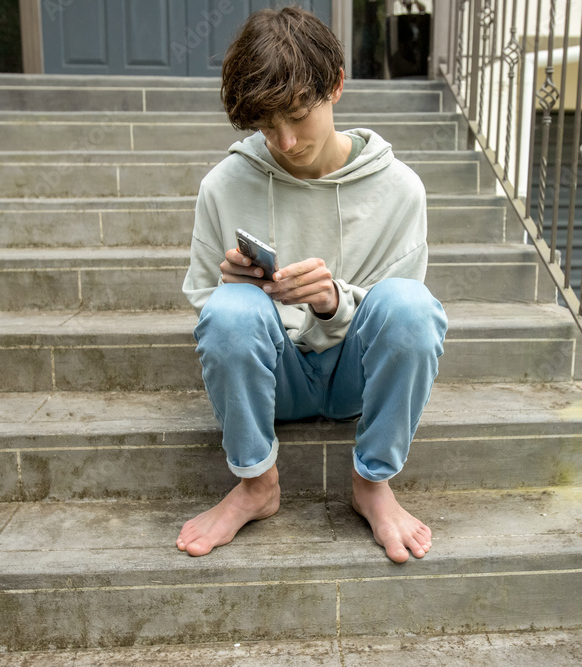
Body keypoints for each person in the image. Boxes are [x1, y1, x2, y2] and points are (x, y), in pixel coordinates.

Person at [178, 6, 447, 563]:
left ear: (337, 86)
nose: (284, 141)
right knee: (229, 308)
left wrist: (333, 302)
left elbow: (402, 324)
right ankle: (257, 484)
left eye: (298, 115)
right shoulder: (223, 185)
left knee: (414, 306)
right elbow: (207, 310)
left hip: (355, 379)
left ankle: (372, 483)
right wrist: (235, 288)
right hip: (275, 381)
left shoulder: (400, 190)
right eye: (265, 125)